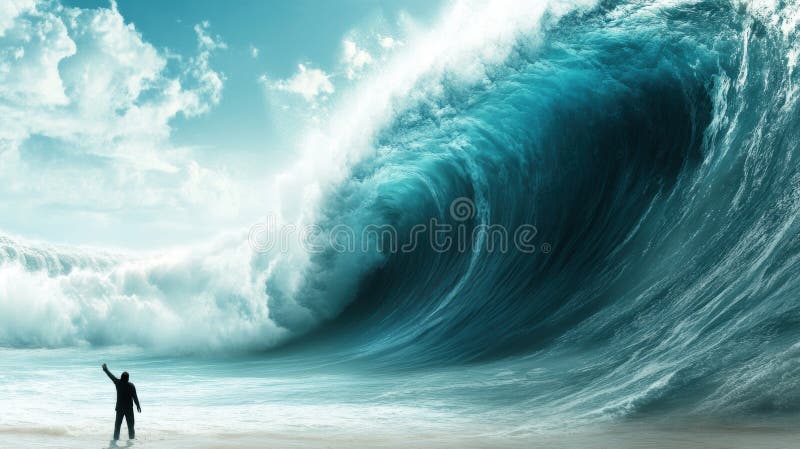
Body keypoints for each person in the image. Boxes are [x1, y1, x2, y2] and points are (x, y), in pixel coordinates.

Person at [101, 363, 141, 440]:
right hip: (129, 409)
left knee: (117, 426)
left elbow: (111, 376)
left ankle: (115, 441)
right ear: (128, 378)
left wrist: (105, 369)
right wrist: (138, 406)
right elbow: (135, 397)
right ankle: (131, 442)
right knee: (131, 426)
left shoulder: (118, 383)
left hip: (119, 408)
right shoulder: (131, 386)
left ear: (121, 377)